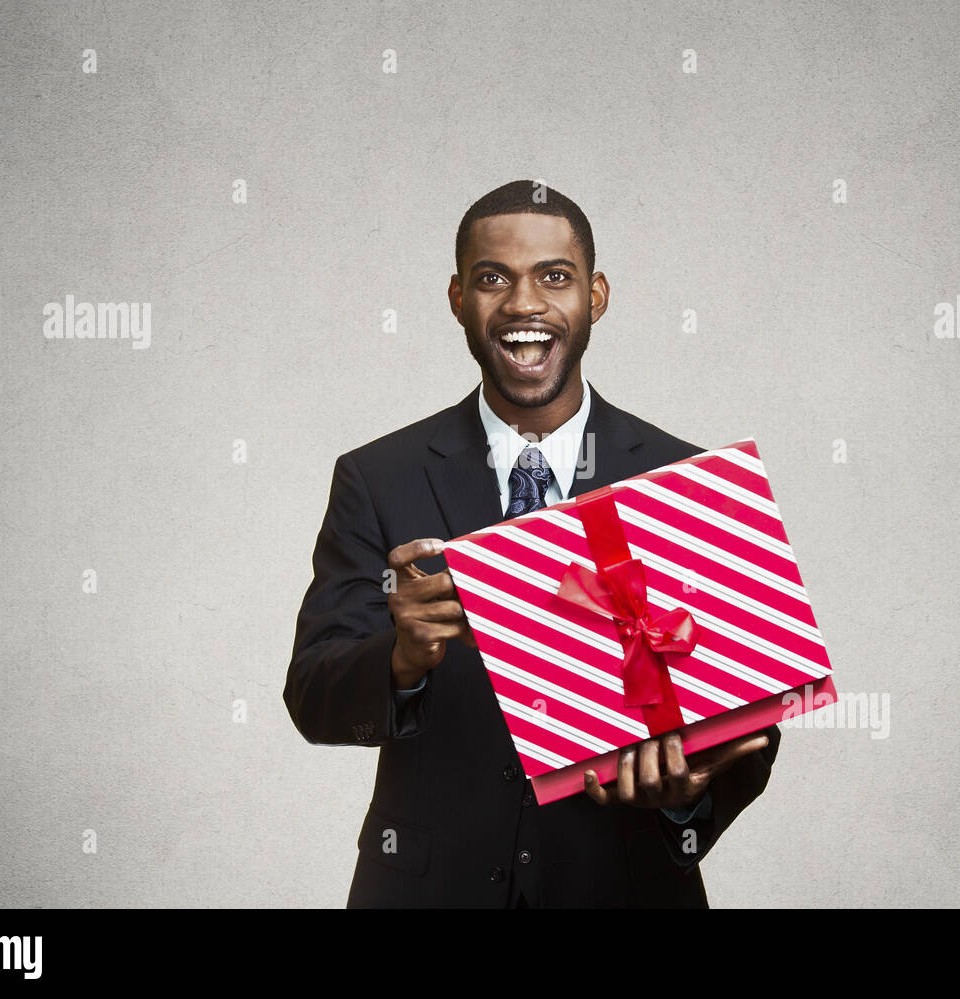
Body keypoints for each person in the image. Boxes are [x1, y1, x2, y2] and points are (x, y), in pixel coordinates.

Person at [284, 180, 781, 907]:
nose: (523, 304)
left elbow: (749, 718)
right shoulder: (376, 477)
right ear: (457, 298)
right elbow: (312, 695)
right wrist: (398, 661)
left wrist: (685, 795)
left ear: (597, 295)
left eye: (555, 276)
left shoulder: (685, 484)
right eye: (493, 278)